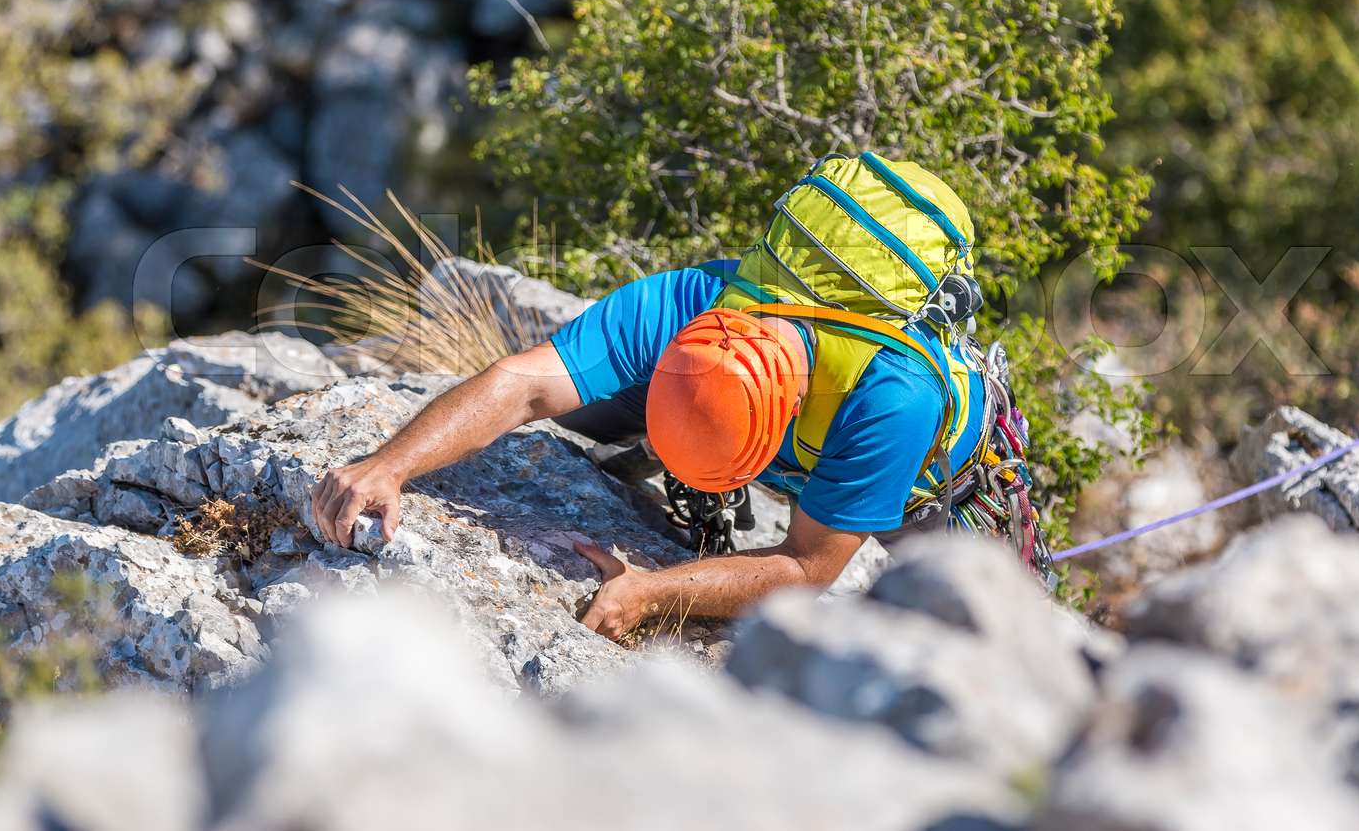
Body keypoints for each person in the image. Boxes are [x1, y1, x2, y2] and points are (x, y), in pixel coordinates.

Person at [311, 154, 1024, 640]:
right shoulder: (686, 302)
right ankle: (656, 445)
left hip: (932, 488)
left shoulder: (893, 401)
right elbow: (523, 384)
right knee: (582, 401)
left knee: (984, 628)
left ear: (770, 442)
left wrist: (653, 590)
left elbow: (809, 564)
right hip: (749, 405)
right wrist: (390, 464)